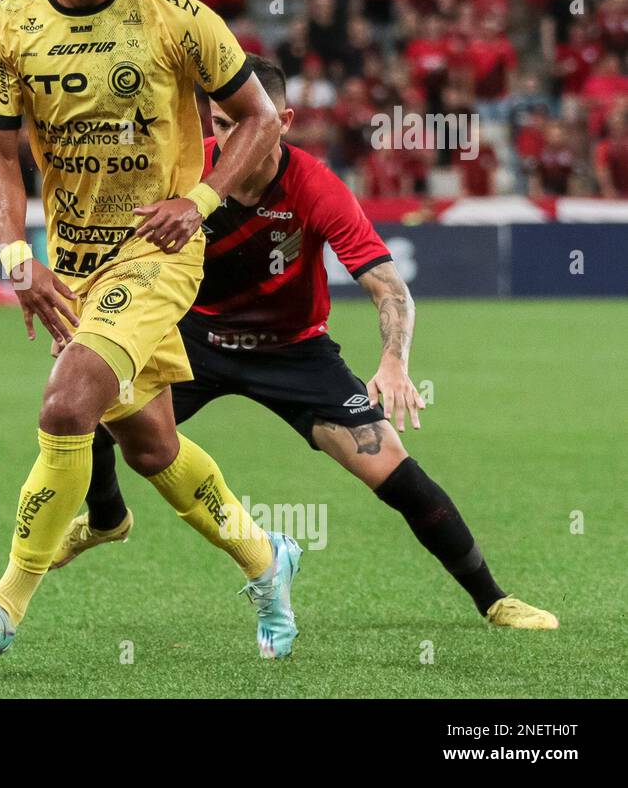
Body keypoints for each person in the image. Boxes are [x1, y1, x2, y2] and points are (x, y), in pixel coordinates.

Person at [0, 0, 295, 663]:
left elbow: (262, 118)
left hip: (159, 254)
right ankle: (267, 559)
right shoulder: (7, 25)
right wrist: (17, 258)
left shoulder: (178, 19)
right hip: (74, 265)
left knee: (67, 407)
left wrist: (199, 201)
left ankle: (1, 608)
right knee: (151, 445)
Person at [60, 55, 557, 631]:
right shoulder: (184, 168)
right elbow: (118, 248)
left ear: (283, 121)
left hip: (294, 350)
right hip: (197, 339)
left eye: (246, 121)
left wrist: (393, 361)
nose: (231, 136)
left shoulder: (317, 187)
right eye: (221, 123)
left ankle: (494, 600)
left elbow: (389, 287)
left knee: (395, 472)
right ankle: (106, 518)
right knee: (86, 408)